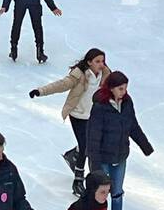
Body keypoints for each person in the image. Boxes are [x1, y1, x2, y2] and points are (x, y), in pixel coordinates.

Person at [85, 70, 153, 210]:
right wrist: (96, 165)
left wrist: (145, 146)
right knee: (100, 195)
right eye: (121, 88)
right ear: (112, 89)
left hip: (120, 156)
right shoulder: (100, 107)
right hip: (102, 158)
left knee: (117, 193)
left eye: (125, 88)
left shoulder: (127, 103)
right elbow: (93, 137)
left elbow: (133, 126)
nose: (124, 92)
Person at [30, 47, 109, 195]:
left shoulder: (105, 75)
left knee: (91, 143)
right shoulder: (79, 75)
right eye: (98, 61)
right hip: (78, 115)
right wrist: (40, 91)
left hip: (93, 116)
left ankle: (74, 154)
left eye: (103, 61)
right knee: (86, 145)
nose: (101, 64)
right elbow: (61, 85)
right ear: (89, 62)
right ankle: (78, 181)